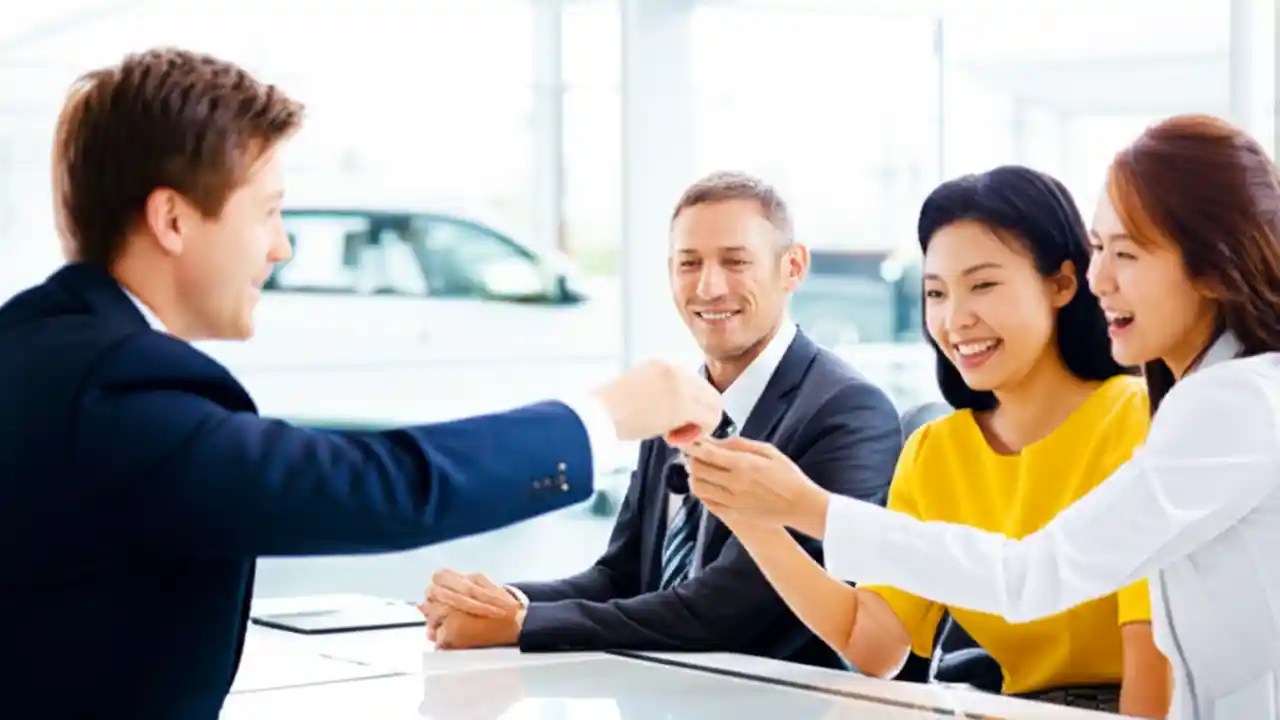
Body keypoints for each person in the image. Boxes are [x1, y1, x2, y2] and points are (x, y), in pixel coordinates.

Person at [0, 48, 723, 719]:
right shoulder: (110, 388)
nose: (281, 247)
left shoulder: (36, 346)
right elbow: (368, 486)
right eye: (270, 211)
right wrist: (605, 417)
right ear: (173, 219)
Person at [687, 113, 1280, 719]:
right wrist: (756, 513)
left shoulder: (1206, 407)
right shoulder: (945, 446)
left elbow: (1035, 579)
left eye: (1124, 252)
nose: (1103, 278)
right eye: (937, 292)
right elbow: (875, 643)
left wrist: (808, 505)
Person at [419, 171, 902, 668]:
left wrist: (521, 626)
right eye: (688, 263)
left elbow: (728, 612)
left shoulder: (847, 414)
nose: (709, 287)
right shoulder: (678, 404)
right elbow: (621, 578)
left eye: (735, 262)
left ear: (792, 267)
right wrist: (496, 601)